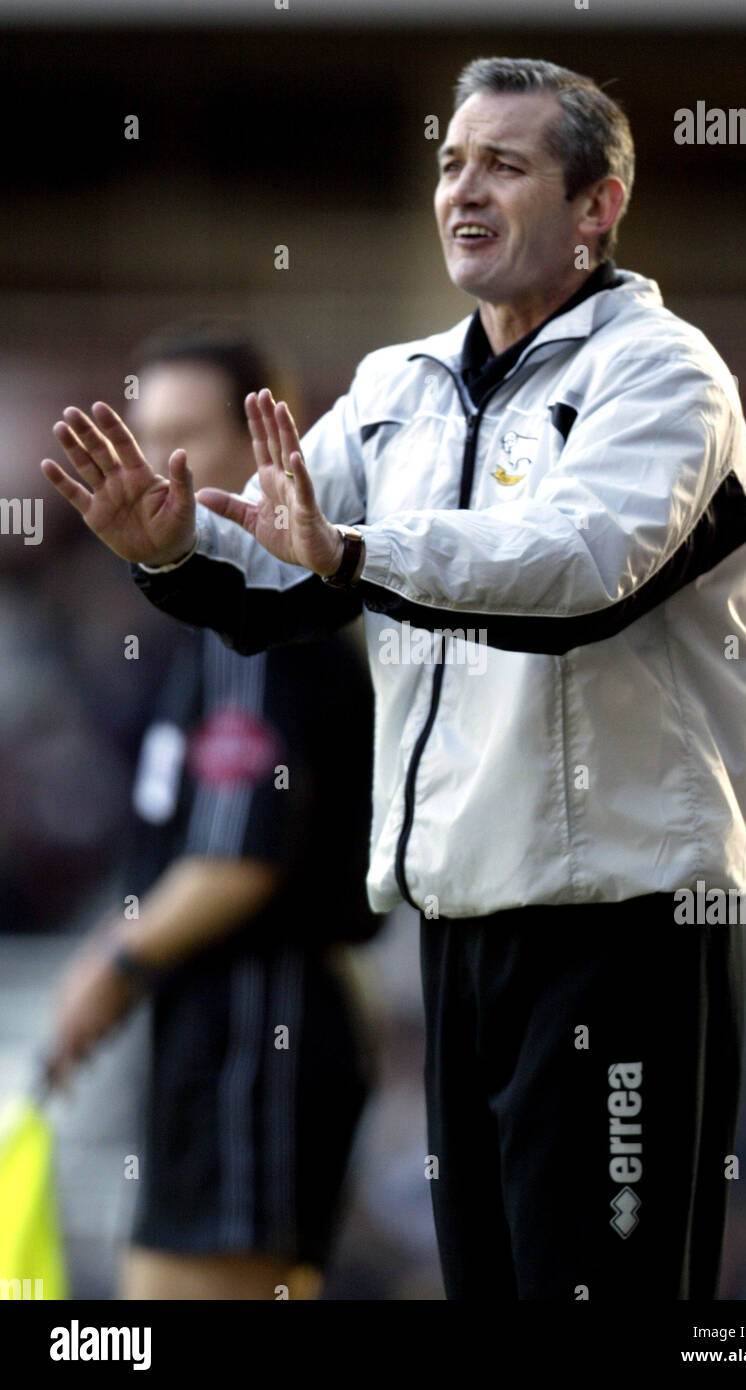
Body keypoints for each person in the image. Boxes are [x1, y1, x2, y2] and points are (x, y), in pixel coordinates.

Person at [42, 58, 746, 1301]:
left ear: (597, 206)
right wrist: (168, 546)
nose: (462, 189)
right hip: (457, 929)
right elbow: (282, 565)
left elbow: (582, 566)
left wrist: (357, 550)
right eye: (449, 162)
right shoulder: (398, 387)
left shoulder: (664, 374)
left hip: (622, 927)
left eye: (504, 164)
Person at [43, 329, 380, 1301]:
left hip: (254, 1021)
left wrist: (104, 969)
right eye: (144, 436)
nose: (155, 466)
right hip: (229, 1025)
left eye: (185, 435)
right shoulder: (205, 623)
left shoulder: (255, 621)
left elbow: (238, 859)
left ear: (269, 446)